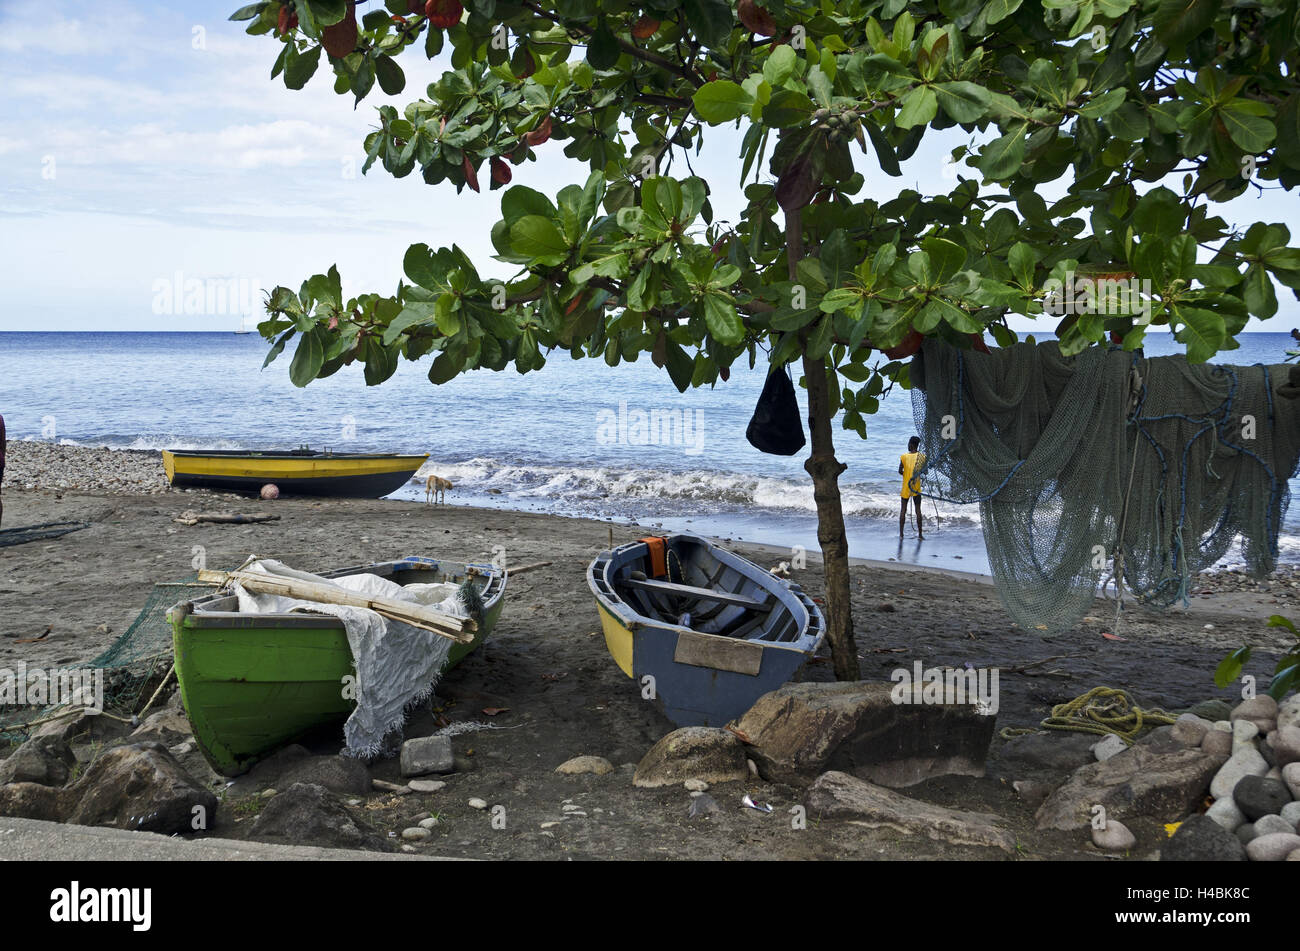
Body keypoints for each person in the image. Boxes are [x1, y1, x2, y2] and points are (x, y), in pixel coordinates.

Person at [899, 435, 925, 539]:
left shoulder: (904, 457)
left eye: (909, 444)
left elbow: (900, 471)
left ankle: (901, 535)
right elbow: (925, 471)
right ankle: (920, 534)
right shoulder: (922, 457)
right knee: (918, 510)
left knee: (903, 510)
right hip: (916, 487)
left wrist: (906, 475)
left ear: (911, 444)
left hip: (906, 487)